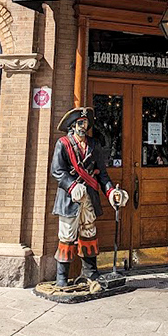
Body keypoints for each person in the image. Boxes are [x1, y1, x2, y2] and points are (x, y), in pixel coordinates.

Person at [51, 106, 129, 288]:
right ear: (72, 126)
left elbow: (102, 174)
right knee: (67, 235)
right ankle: (62, 277)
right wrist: (71, 185)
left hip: (89, 198)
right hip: (70, 199)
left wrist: (111, 192)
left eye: (85, 123)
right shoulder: (63, 144)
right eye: (80, 123)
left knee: (89, 233)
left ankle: (91, 273)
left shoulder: (94, 145)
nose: (83, 126)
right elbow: (57, 171)